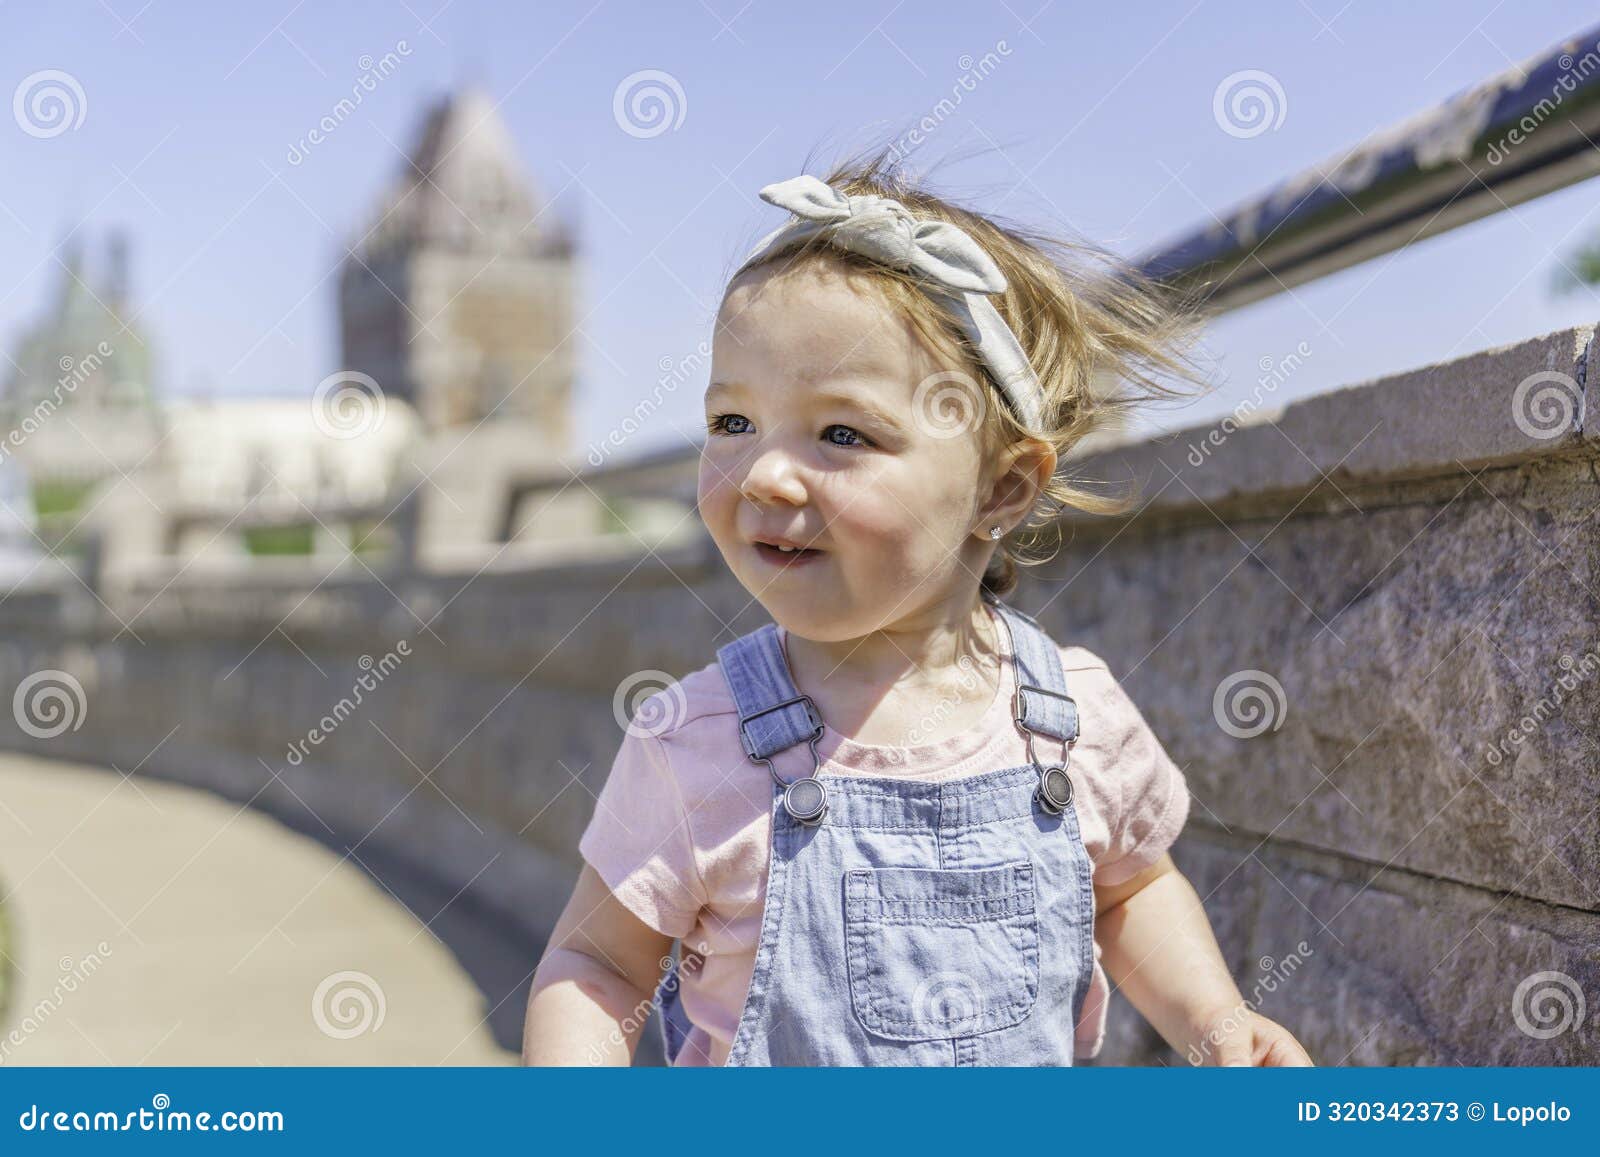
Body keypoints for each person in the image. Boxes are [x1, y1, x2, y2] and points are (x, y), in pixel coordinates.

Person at [522, 147, 1314, 1068]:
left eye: (842, 433)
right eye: (732, 422)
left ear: (1003, 488)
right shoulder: (697, 741)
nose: (764, 472)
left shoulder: (1071, 721)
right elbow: (598, 961)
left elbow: (1129, 890)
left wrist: (1214, 1022)